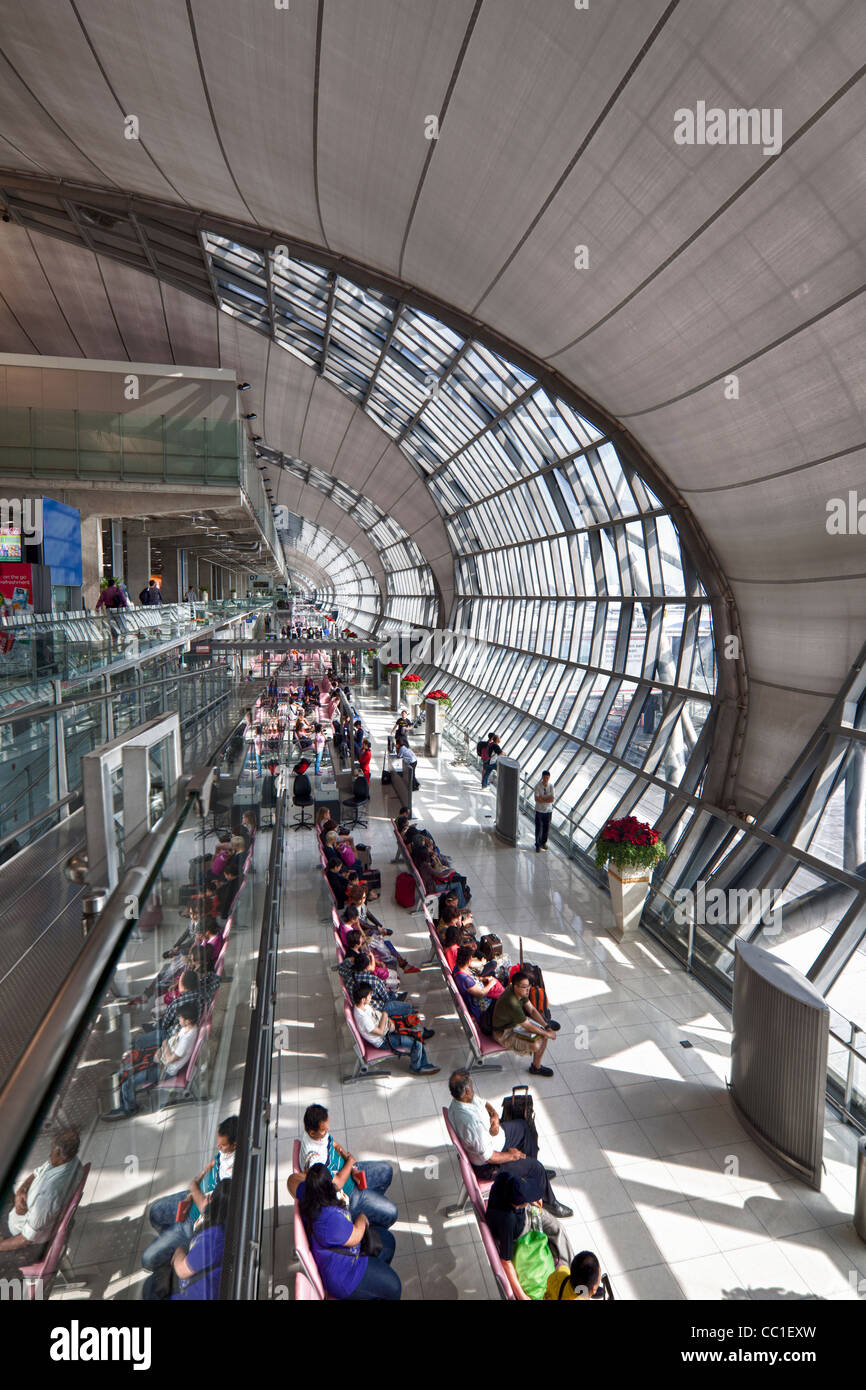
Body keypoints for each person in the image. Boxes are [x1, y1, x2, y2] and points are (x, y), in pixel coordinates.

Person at [288, 1164, 400, 1300]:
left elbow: (291, 1180)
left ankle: (373, 1285)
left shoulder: (310, 1195)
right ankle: (373, 1288)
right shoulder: (329, 1219)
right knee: (395, 1287)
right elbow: (356, 1236)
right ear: (328, 1186)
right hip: (346, 1274)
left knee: (388, 1240)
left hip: (344, 1254)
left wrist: (311, 1178)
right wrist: (362, 1218)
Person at [142, 1117, 237, 1271]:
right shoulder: (225, 1152)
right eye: (218, 1142)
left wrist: (193, 1189)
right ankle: (171, 1239)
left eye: (223, 1144)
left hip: (196, 1221)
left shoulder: (231, 1179)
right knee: (155, 1212)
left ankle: (181, 1246)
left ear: (235, 1144)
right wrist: (197, 1180)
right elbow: (212, 1164)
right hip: (194, 1196)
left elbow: (207, 1209)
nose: (218, 1146)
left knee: (148, 1260)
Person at [299, 1104, 397, 1229]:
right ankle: (367, 1222)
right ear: (312, 1132)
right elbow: (337, 1184)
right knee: (392, 1213)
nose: (327, 1130)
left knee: (386, 1171)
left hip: (349, 1171)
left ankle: (370, 1206)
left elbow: (334, 1144)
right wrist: (350, 1162)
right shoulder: (314, 1160)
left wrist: (352, 1167)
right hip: (348, 1195)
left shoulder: (317, 1134)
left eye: (327, 1126)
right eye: (324, 1130)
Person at [0, 1129, 83, 1275]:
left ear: (58, 1152)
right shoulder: (71, 1161)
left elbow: (25, 1239)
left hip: (27, 1246)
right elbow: (37, 1172)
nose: (49, 1153)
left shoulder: (48, 1194)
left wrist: (1, 1246)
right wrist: (22, 1190)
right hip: (22, 1218)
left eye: (51, 1149)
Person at [486, 1168, 575, 1300]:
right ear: (519, 1205)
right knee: (556, 1231)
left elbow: (520, 1189)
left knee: (558, 1228)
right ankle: (572, 1281)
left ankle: (574, 1276)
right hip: (522, 1230)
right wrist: (521, 1296)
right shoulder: (508, 1221)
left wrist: (532, 1199)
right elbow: (505, 1261)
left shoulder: (506, 1179)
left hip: (522, 1213)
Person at [102, 1000, 200, 1119]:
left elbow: (169, 1060)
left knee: (128, 1083)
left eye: (180, 1017)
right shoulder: (189, 1028)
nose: (178, 1020)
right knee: (128, 1071)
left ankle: (129, 1109)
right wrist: (161, 1049)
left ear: (188, 1020)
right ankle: (123, 1099)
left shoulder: (187, 1039)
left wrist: (163, 1045)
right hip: (162, 1062)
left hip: (165, 1070)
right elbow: (173, 1044)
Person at [352, 980, 438, 1075]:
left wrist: (388, 1020)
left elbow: (377, 1014)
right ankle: (416, 1067)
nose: (371, 996)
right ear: (363, 999)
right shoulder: (363, 1018)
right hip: (384, 1040)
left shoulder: (362, 1005)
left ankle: (423, 1059)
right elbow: (380, 1032)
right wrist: (385, 1014)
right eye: (369, 995)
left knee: (412, 1027)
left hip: (386, 1029)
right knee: (416, 1042)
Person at [491, 970, 557, 1077]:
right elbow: (527, 1025)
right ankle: (536, 1067)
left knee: (543, 1036)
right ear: (516, 986)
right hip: (503, 1034)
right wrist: (547, 1033)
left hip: (514, 1025)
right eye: (525, 987)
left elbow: (531, 1010)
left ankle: (536, 1067)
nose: (528, 990)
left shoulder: (520, 991)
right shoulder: (512, 1002)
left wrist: (546, 1026)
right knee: (537, 1044)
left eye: (529, 986)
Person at [534, 770, 555, 851]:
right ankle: (537, 844)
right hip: (539, 811)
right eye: (544, 777)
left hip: (548, 811)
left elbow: (552, 799)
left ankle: (543, 843)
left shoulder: (551, 786)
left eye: (547, 777)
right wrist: (547, 799)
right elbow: (536, 799)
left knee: (546, 828)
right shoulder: (537, 786)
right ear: (542, 777)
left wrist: (542, 799)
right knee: (538, 828)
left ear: (549, 778)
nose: (546, 779)